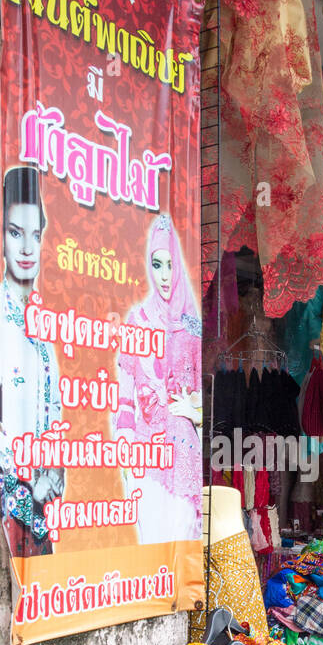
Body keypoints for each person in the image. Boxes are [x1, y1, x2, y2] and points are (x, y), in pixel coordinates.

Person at [114, 213, 202, 543]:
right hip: (145, 453)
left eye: (169, 265)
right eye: (157, 264)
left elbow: (205, 396)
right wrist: (123, 437)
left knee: (181, 539)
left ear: (178, 265)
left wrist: (194, 413)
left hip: (182, 454)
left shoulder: (192, 328)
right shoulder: (137, 320)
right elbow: (125, 384)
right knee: (151, 540)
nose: (164, 275)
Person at [0, 165, 62, 557]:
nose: (25, 248)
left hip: (39, 516)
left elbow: (53, 416)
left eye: (34, 235)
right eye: (14, 233)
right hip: (4, 514)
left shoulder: (42, 328)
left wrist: (53, 471)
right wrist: (25, 487)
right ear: (1, 236)